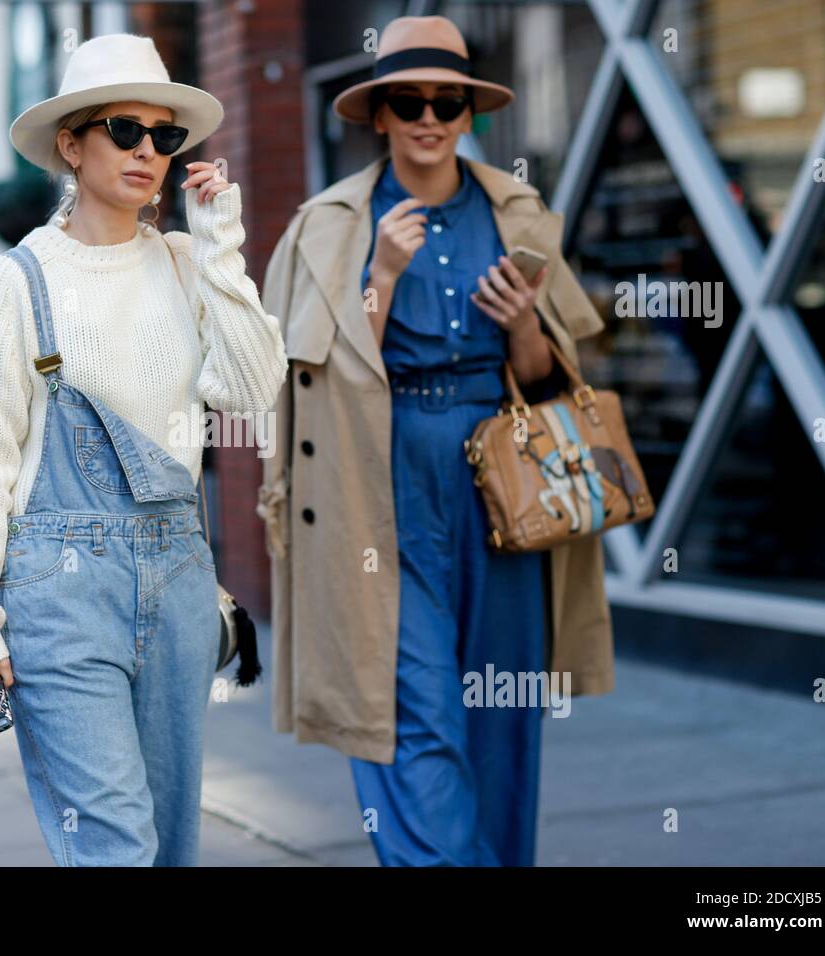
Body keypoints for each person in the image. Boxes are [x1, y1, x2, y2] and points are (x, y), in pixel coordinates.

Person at [258, 15, 613, 866]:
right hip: (379, 485)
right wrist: (379, 276)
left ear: (468, 113)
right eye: (408, 101)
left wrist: (526, 325)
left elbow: (550, 378)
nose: (429, 117)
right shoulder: (327, 227)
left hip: (507, 480)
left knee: (501, 718)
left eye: (447, 101)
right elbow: (330, 378)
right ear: (379, 114)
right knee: (410, 711)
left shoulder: (516, 213)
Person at [0, 33, 286, 866]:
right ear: (72, 143)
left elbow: (251, 386)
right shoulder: (20, 281)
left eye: (165, 137)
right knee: (115, 843)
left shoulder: (182, 262)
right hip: (58, 592)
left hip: (179, 579)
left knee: (169, 845)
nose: (148, 153)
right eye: (124, 132)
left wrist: (222, 248)